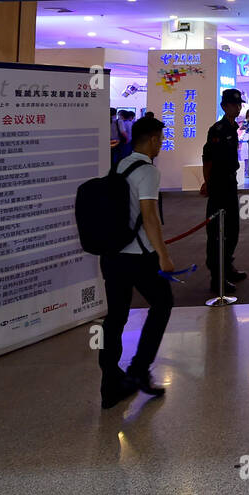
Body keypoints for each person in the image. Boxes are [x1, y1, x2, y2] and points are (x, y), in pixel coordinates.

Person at [98, 116, 174, 408]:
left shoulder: (120, 165)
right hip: (138, 256)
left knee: (115, 317)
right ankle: (138, 371)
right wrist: (164, 255)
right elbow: (150, 216)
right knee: (163, 303)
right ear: (153, 139)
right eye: (161, 139)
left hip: (112, 255)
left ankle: (110, 384)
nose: (162, 145)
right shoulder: (148, 171)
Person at [201, 89, 248, 293]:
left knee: (232, 230)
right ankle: (216, 277)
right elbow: (208, 158)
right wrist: (207, 182)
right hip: (219, 185)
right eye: (233, 105)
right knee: (218, 232)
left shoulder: (232, 127)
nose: (237, 108)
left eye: (239, 105)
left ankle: (227, 267)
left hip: (230, 183)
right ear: (224, 106)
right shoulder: (218, 129)